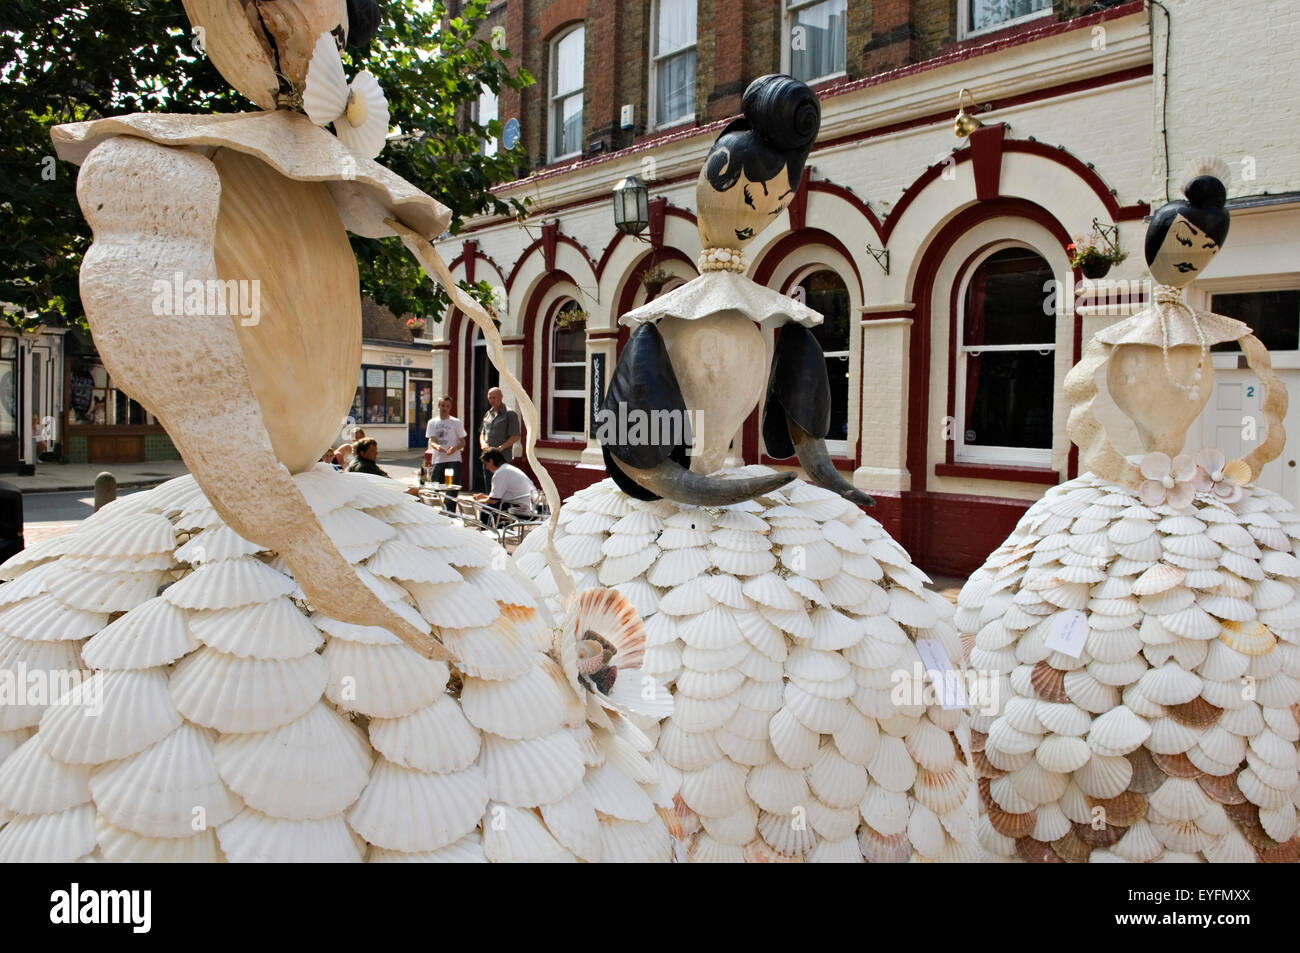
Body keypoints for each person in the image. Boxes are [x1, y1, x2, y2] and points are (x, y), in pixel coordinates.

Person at [425, 395, 466, 511]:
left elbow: (463, 442)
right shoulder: (432, 422)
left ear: (450, 407)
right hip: (438, 459)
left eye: (447, 406)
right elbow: (431, 440)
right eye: (442, 405)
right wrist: (437, 447)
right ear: (439, 406)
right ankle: (434, 511)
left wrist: (455, 448)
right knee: (434, 487)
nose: (444, 408)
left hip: (454, 459)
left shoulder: (456, 422)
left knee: (452, 489)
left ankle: (449, 512)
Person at [475, 448, 535, 527]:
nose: (486, 468)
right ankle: (502, 530)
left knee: (486, 509)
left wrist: (478, 501)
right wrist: (486, 497)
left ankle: (490, 534)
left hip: (522, 510)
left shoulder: (500, 473)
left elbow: (493, 501)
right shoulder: (508, 468)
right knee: (493, 506)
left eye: (486, 464)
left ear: (491, 461)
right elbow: (498, 497)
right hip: (531, 507)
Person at [478, 386, 520, 491]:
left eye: (494, 397)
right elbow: (482, 433)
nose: (492, 400)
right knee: (489, 489)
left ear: (501, 397)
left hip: (503, 459)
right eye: (490, 398)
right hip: (488, 459)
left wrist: (500, 448)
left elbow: (515, 436)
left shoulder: (510, 414)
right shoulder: (488, 414)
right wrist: (483, 444)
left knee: (502, 490)